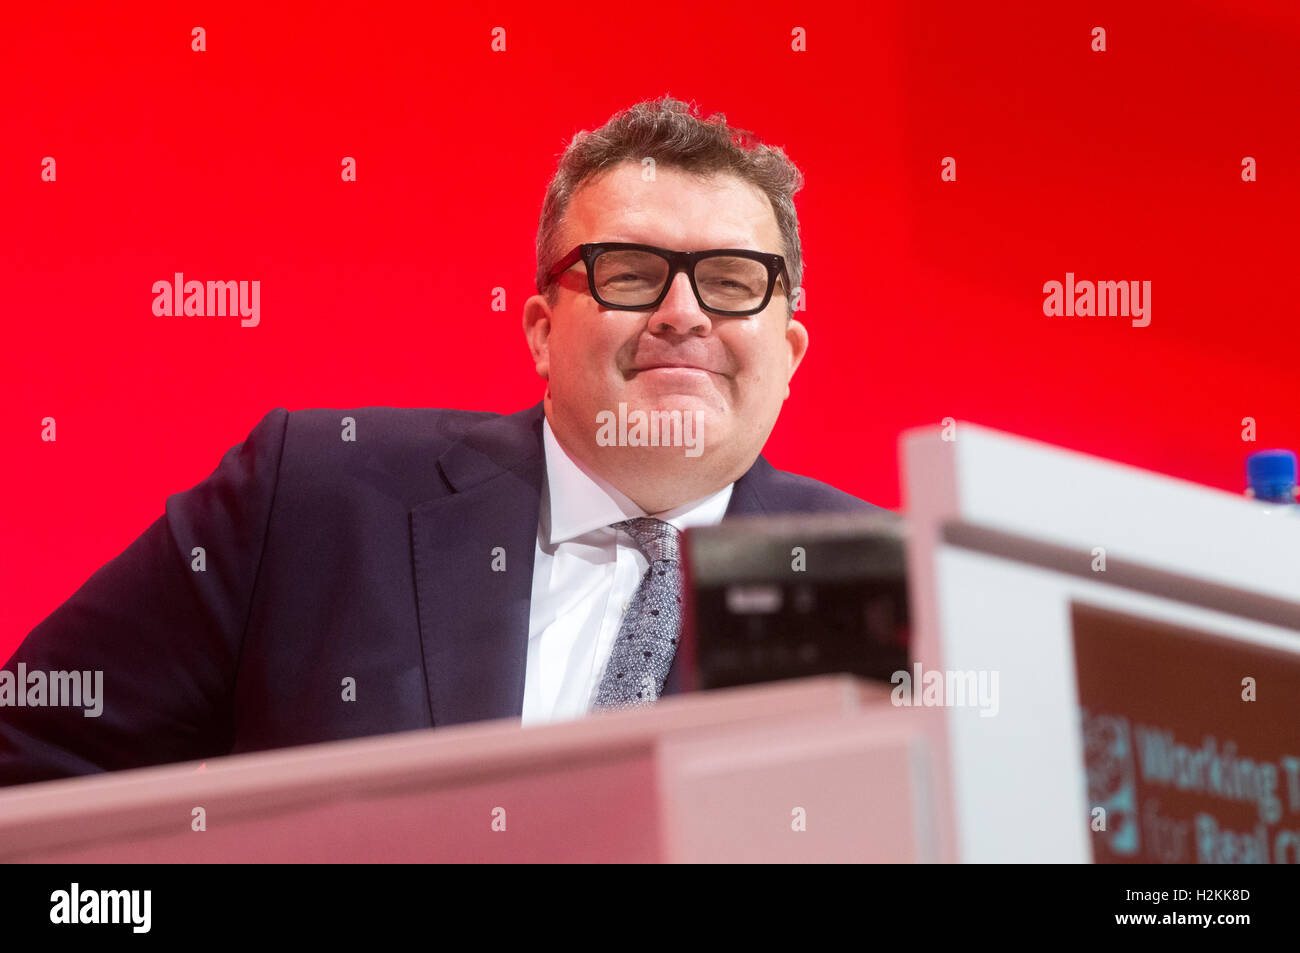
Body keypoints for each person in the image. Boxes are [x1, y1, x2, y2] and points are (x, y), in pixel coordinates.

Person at [0, 95, 882, 787]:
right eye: (630, 273)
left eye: (732, 281)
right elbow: (27, 748)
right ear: (541, 328)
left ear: (790, 351)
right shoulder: (310, 498)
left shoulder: (894, 592)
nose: (682, 314)